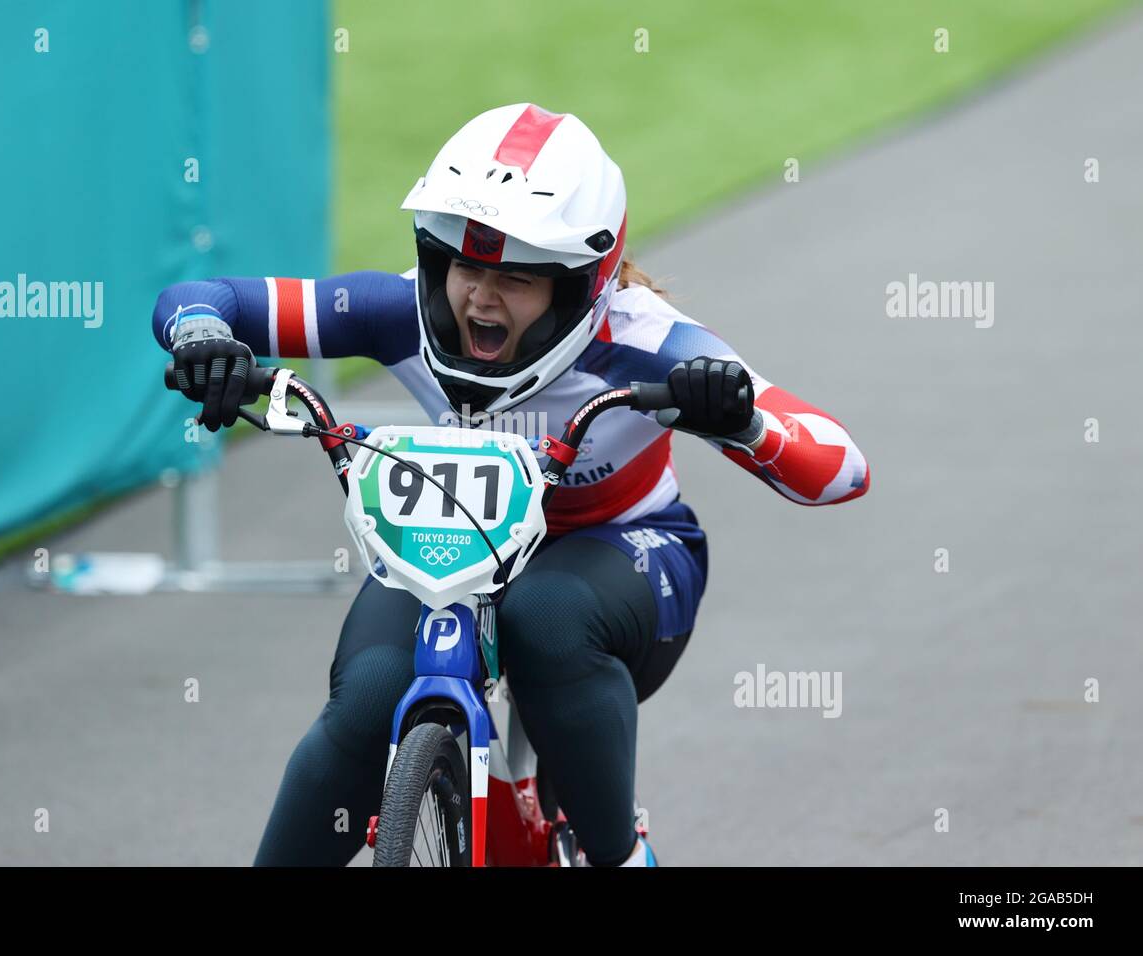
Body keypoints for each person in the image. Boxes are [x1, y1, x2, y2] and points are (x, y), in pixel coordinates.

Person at [152, 103, 870, 867]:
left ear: (579, 287)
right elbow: (207, 299)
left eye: (517, 279)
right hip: (455, 543)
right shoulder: (399, 311)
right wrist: (205, 343)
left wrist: (740, 421)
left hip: (623, 552)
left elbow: (843, 467)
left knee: (547, 616)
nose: (479, 301)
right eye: (466, 267)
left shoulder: (647, 343)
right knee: (368, 699)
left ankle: (620, 857)